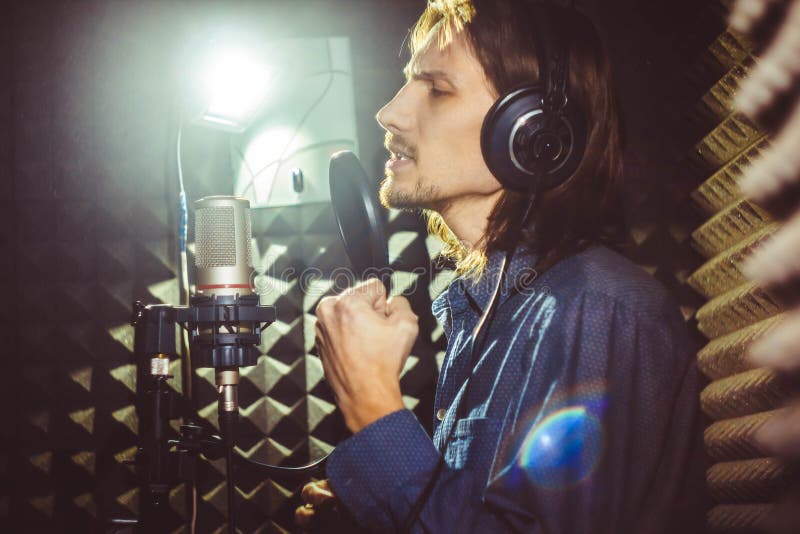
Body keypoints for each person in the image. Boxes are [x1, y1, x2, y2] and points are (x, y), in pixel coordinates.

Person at [296, 0, 706, 532]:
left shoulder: (597, 310)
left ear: (531, 133)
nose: (390, 113)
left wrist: (373, 404)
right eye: (408, 82)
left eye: (437, 89)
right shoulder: (489, 311)